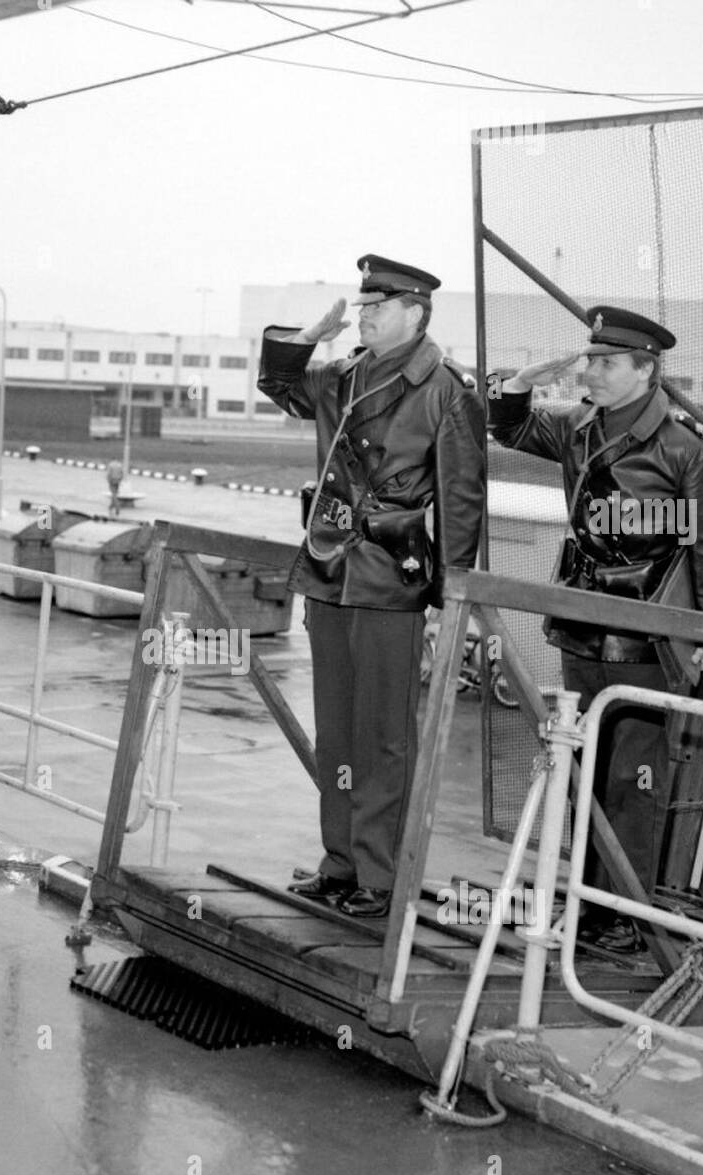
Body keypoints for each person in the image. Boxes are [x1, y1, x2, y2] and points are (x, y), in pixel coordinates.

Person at [490, 305, 703, 953]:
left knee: (634, 778)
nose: (591, 372)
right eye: (591, 360)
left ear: (645, 370)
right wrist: (520, 383)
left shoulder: (682, 450)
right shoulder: (579, 429)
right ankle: (592, 903)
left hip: (643, 633)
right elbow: (510, 430)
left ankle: (626, 914)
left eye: (606, 363)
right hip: (581, 622)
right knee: (587, 770)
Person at [258, 255, 487, 918]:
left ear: (416, 313)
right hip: (330, 566)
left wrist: (453, 595)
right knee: (337, 731)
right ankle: (341, 863)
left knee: (383, 735)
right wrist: (309, 334)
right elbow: (280, 384)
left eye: (376, 307)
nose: (363, 315)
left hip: (391, 575)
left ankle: (381, 878)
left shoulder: (445, 388)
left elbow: (462, 495)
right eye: (361, 306)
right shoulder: (342, 375)